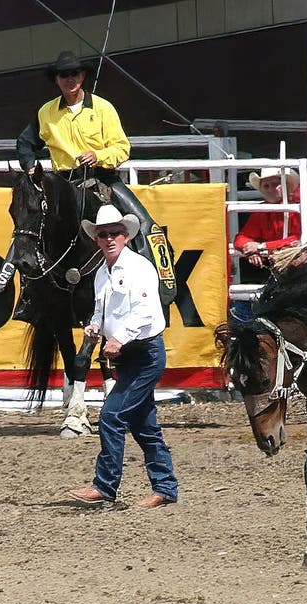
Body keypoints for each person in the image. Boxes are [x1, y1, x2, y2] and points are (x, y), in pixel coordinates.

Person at [7, 50, 175, 302]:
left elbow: (122, 147)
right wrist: (30, 167)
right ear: (56, 79)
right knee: (27, 229)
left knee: (144, 223)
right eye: (64, 75)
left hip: (103, 180)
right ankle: (29, 296)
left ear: (83, 76)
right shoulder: (46, 112)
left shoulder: (103, 108)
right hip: (63, 183)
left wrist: (98, 155)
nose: (69, 79)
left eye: (74, 73)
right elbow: (24, 143)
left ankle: (161, 286)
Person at [70, 205, 179, 507]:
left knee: (111, 415)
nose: (109, 238)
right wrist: (96, 326)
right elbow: (100, 310)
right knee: (145, 426)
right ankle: (165, 488)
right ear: (97, 239)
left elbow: (145, 313)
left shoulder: (139, 267)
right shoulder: (102, 275)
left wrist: (118, 338)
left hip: (143, 354)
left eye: (114, 233)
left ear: (126, 236)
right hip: (132, 356)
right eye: (103, 234)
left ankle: (105, 485)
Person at [234, 167, 302, 275]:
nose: (270, 189)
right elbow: (241, 238)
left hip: (296, 265)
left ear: (285, 186)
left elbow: (296, 241)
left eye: (275, 185)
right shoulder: (261, 211)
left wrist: (260, 247)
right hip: (271, 265)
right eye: (266, 186)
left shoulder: (296, 209)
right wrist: (250, 250)